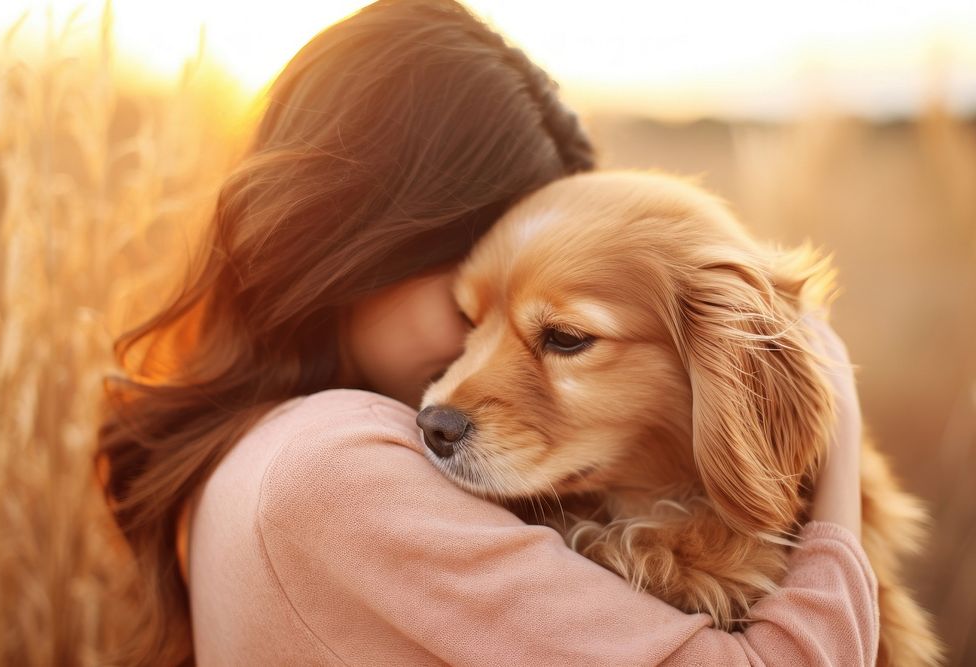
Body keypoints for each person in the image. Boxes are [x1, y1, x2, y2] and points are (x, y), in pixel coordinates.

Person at [96, 1, 876, 665]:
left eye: (554, 330)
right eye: (472, 305)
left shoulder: (266, 446)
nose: (467, 378)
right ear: (360, 239)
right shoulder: (333, 467)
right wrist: (835, 442)